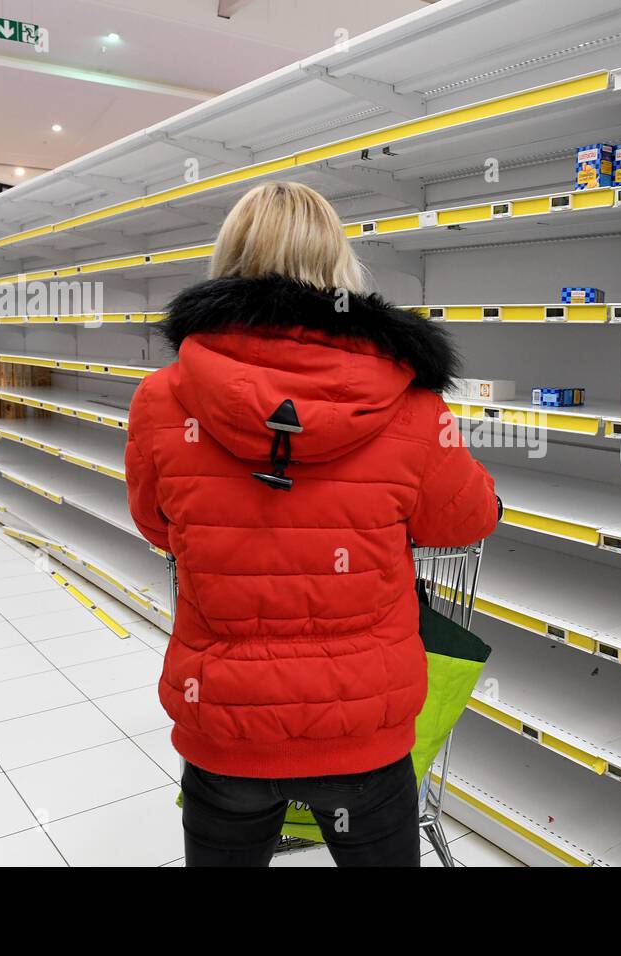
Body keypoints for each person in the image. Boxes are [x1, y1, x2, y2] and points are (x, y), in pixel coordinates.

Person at [125, 182, 498, 867]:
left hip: (228, 724)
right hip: (363, 723)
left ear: (229, 259)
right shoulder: (409, 401)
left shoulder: (162, 398)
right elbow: (463, 523)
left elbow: (157, 524)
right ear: (339, 267)